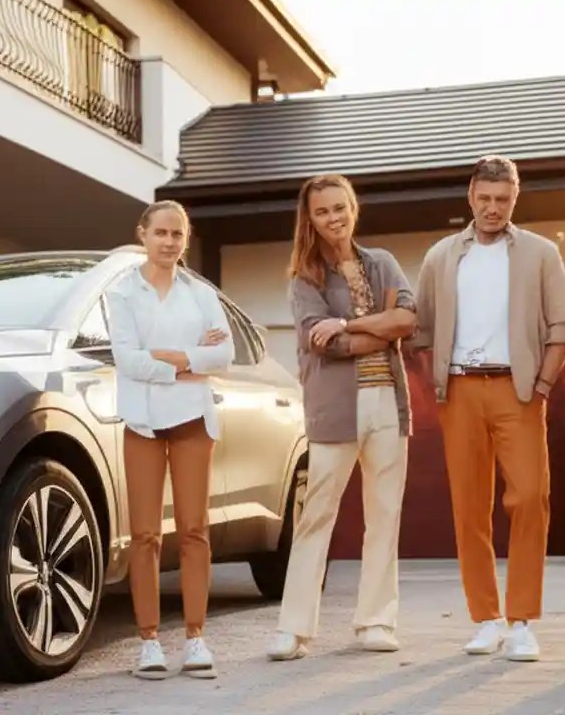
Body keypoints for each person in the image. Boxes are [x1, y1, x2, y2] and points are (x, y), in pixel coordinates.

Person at [411, 155, 565, 662]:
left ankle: (522, 619)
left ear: (515, 198)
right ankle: (485, 617)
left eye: (502, 200)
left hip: (518, 391)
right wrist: (438, 381)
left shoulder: (541, 254)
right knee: (470, 506)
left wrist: (542, 385)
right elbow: (421, 332)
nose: (492, 208)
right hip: (460, 393)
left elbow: (563, 328)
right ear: (471, 196)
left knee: (529, 498)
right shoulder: (441, 256)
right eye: (484, 199)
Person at [266, 173, 418, 661]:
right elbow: (323, 342)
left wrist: (350, 324)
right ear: (309, 220)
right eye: (323, 211)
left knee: (385, 514)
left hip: (387, 404)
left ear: (354, 207)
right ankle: (294, 629)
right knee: (317, 516)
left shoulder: (384, 264)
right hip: (335, 408)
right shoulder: (304, 278)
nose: (334, 217)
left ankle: (376, 621)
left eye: (340, 207)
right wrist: (378, 331)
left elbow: (409, 321)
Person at [106, 200, 235, 680]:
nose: (169, 242)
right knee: (144, 534)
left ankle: (196, 637)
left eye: (177, 235)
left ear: (187, 238)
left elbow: (225, 353)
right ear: (143, 234)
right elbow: (126, 359)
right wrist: (185, 363)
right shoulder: (122, 294)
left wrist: (170, 358)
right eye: (160, 232)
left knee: (194, 529)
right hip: (141, 420)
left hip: (192, 419)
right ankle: (149, 642)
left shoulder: (200, 293)